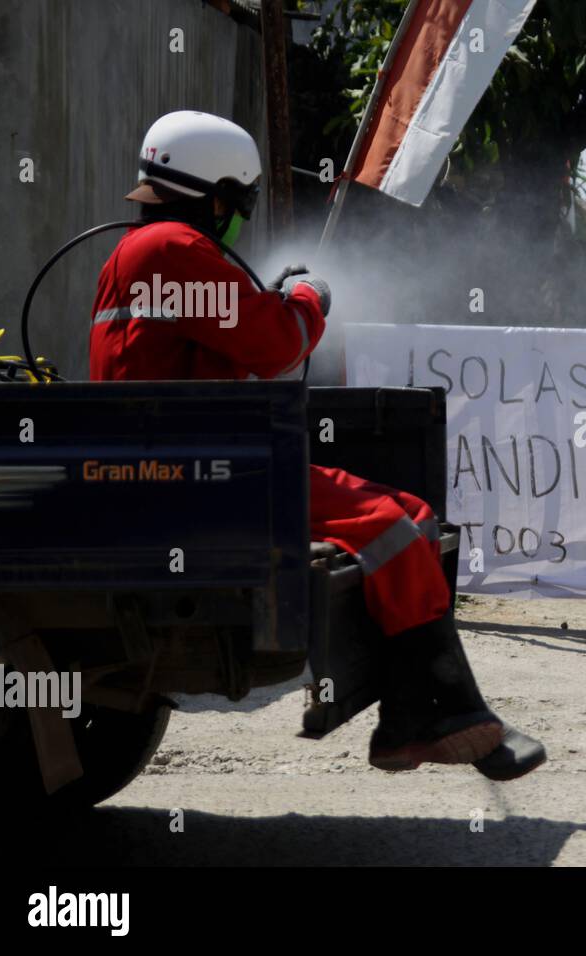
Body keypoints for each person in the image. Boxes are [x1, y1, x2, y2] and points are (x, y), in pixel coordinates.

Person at [89, 111, 544, 780]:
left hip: (199, 464)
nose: (237, 221)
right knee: (395, 525)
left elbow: (229, 331)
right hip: (196, 475)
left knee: (409, 519)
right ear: (216, 197)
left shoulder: (145, 252)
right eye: (236, 206)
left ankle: (421, 717)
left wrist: (273, 301)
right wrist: (307, 297)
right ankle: (433, 716)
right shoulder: (171, 250)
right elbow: (276, 347)